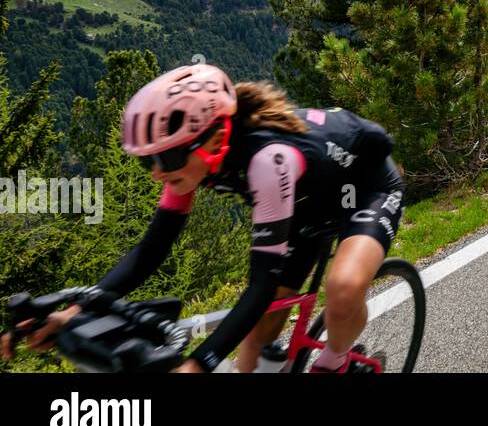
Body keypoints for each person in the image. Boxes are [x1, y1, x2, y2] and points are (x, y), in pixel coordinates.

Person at [1, 64, 404, 373]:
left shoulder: (268, 160)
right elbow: (150, 251)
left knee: (344, 287)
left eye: (168, 157)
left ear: (214, 139)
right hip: (301, 207)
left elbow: (260, 286)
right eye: (148, 162)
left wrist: (199, 363)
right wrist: (76, 310)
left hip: (365, 187)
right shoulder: (189, 162)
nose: (158, 172)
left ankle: (335, 360)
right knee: (251, 349)